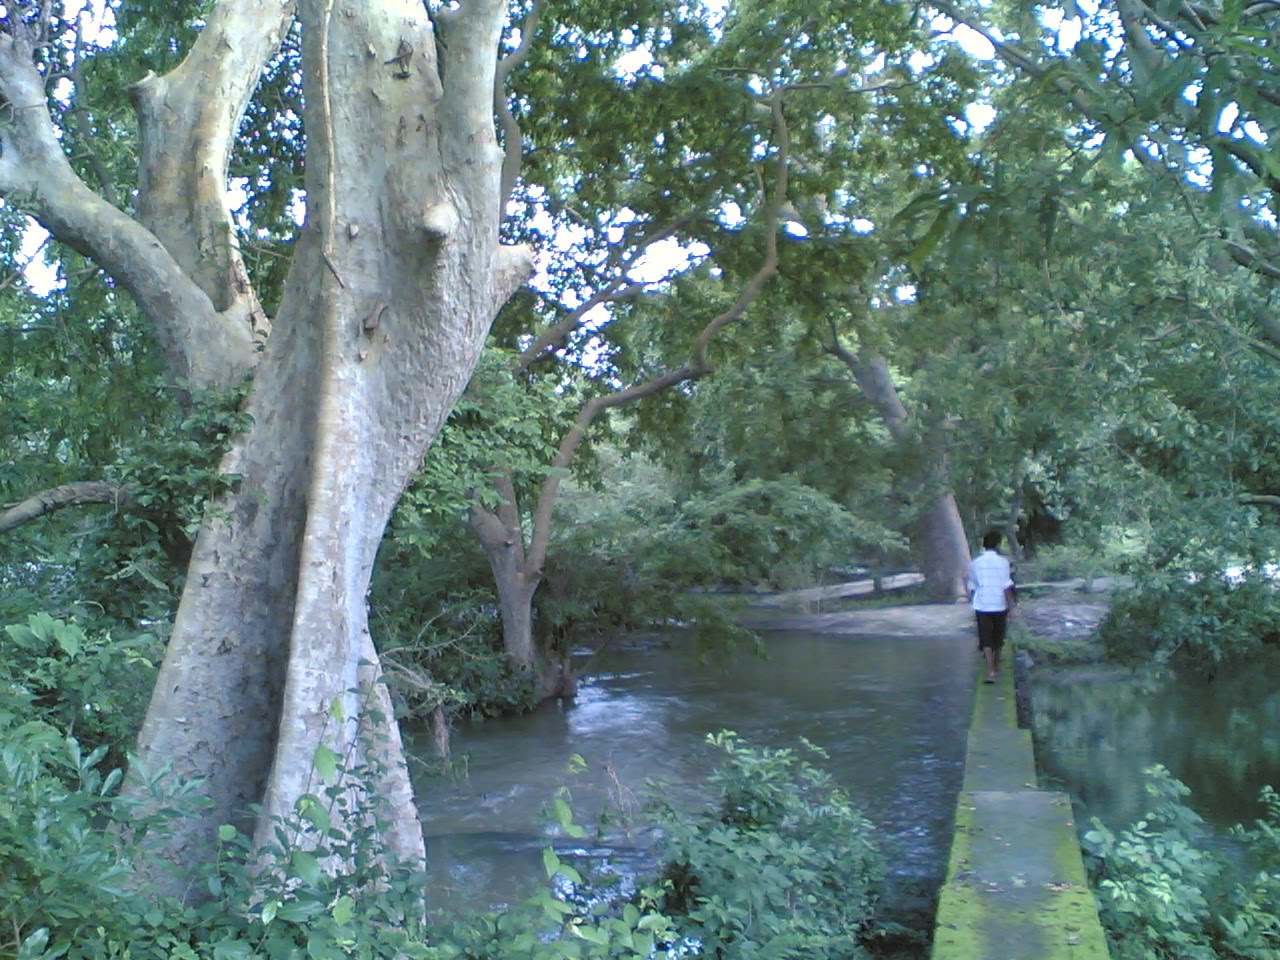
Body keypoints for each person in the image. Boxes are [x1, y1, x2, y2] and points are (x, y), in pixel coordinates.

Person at [967, 529, 1016, 684]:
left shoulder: (975, 563)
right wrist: (1012, 606)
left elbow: (973, 585)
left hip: (982, 604)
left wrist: (971, 601)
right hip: (999, 604)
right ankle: (996, 663)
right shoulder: (1004, 563)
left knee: (985, 638)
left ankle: (990, 671)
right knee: (998, 636)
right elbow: (1006, 585)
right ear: (998, 545)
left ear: (984, 545)